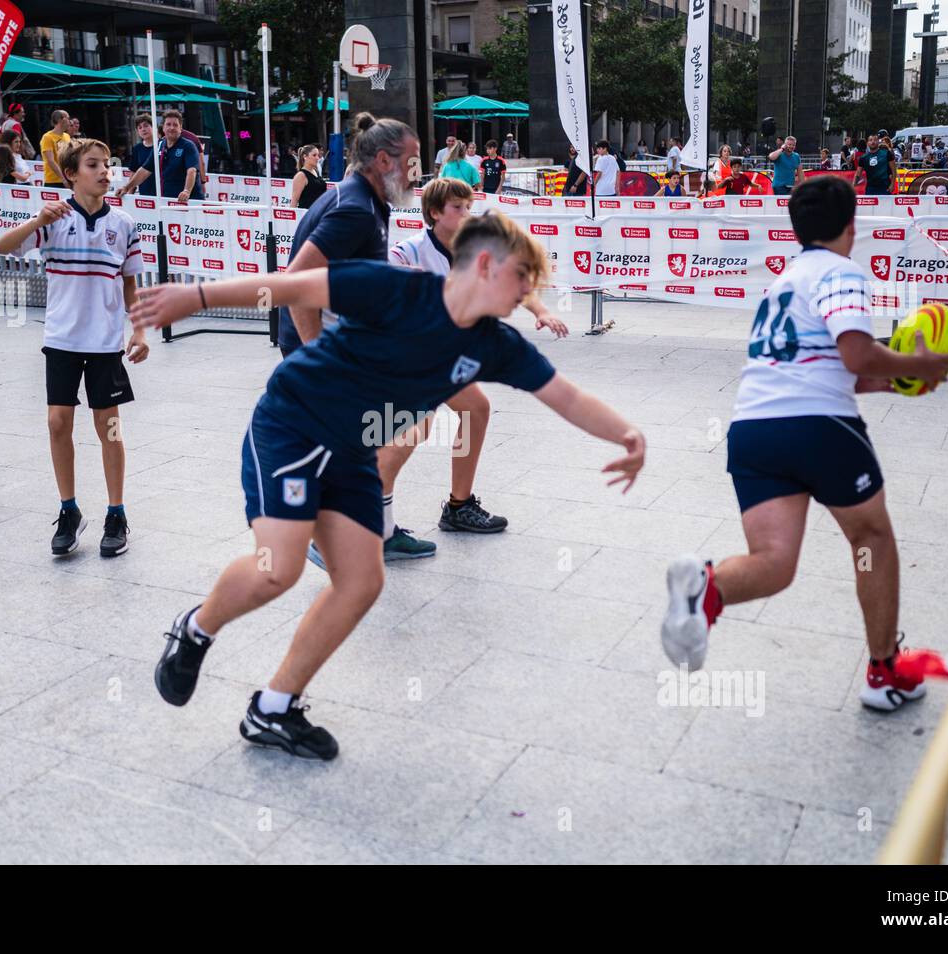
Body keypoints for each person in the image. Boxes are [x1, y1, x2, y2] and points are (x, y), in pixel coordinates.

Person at [131, 210, 646, 760]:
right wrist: (197, 297)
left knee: (361, 581)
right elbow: (291, 285)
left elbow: (564, 395)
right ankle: (196, 628)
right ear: (488, 265)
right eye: (524, 276)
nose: (529, 291)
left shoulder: (495, 344)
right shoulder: (396, 288)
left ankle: (273, 708)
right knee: (276, 569)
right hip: (292, 426)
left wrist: (627, 435)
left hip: (352, 452)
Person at [659, 175, 948, 712]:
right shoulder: (842, 272)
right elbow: (857, 356)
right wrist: (920, 364)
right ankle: (885, 669)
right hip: (818, 427)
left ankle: (706, 589)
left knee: (774, 562)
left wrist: (902, 379)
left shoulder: (784, 281)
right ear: (851, 227)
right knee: (872, 538)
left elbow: (840, 369)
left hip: (754, 430)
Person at [274, 112, 435, 559]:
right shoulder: (355, 209)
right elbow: (298, 279)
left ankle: (373, 529)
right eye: (413, 161)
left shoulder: (365, 201)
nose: (418, 172)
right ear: (384, 160)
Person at [380, 178, 568, 555]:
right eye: (458, 208)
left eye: (469, 207)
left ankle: (459, 506)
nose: (467, 214)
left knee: (475, 408)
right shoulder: (412, 248)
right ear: (434, 213)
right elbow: (383, 272)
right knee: (411, 428)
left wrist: (542, 311)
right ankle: (371, 520)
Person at [0, 139, 149, 557]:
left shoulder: (125, 224)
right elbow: (1, 247)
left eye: (108, 164)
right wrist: (35, 221)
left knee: (109, 428)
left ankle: (116, 513)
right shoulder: (53, 218)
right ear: (71, 174)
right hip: (61, 341)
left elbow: (131, 282)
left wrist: (139, 331)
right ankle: (69, 510)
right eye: (93, 165)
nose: (105, 172)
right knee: (58, 423)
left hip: (104, 345)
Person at [115, 114, 158, 197]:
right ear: (137, 132)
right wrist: (129, 193)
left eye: (146, 126)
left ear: (153, 127)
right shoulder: (137, 148)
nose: (143, 129)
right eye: (140, 127)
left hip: (164, 193)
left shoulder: (162, 145)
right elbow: (133, 172)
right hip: (145, 193)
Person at [291, 143, 328, 208]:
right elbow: (294, 201)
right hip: (308, 214)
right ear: (305, 157)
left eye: (318, 155)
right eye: (314, 155)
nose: (317, 158)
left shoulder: (316, 171)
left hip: (319, 212)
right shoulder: (301, 176)